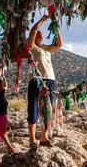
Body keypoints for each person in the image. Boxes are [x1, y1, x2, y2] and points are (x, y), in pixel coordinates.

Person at [26, 15, 63, 149]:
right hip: (36, 80)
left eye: (42, 33)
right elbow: (33, 30)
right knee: (34, 109)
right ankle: (31, 140)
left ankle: (44, 136)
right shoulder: (32, 47)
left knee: (47, 110)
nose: (40, 33)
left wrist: (55, 25)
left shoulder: (46, 49)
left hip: (50, 80)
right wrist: (44, 19)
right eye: (38, 33)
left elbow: (59, 44)